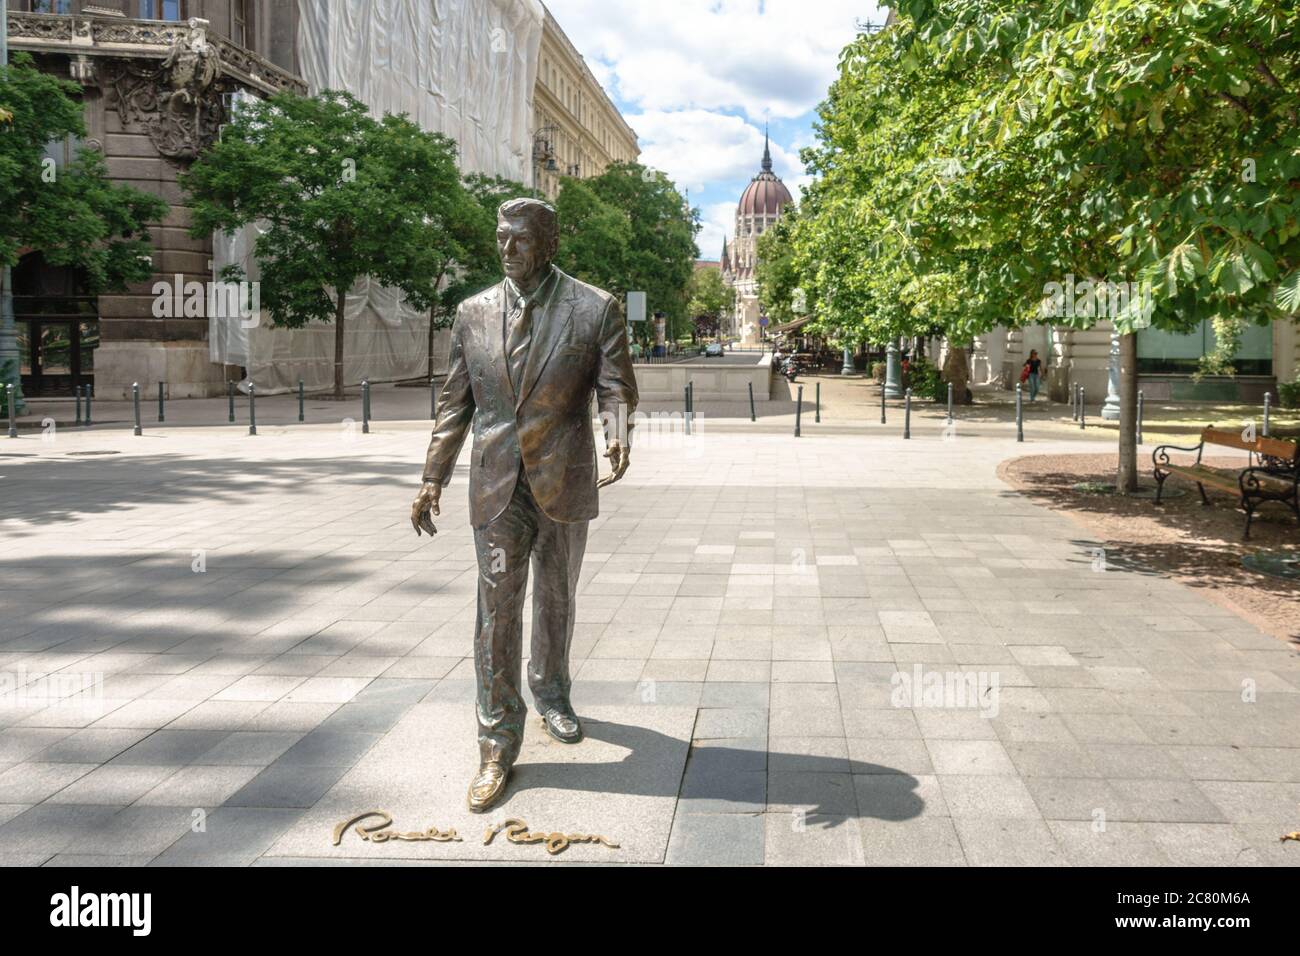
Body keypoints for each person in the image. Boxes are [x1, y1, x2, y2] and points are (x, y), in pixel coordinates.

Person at [409, 197, 638, 813]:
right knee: (496, 610)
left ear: (547, 244)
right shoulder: (472, 312)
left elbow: (616, 386)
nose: (506, 249)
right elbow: (455, 402)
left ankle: (553, 692)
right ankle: (496, 740)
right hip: (495, 484)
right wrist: (433, 475)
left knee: (557, 598)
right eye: (500, 238)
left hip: (563, 478)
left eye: (518, 240)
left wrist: (617, 430)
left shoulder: (595, 308)